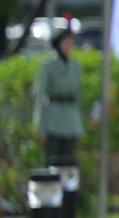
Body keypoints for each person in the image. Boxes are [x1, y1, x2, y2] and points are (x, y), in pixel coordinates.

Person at [31, 29, 85, 165]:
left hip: (71, 120)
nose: (69, 43)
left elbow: (77, 97)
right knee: (52, 163)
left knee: (69, 165)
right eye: (65, 40)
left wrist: (79, 126)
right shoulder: (49, 65)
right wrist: (40, 127)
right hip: (53, 121)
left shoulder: (74, 66)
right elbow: (40, 97)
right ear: (58, 43)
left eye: (70, 40)